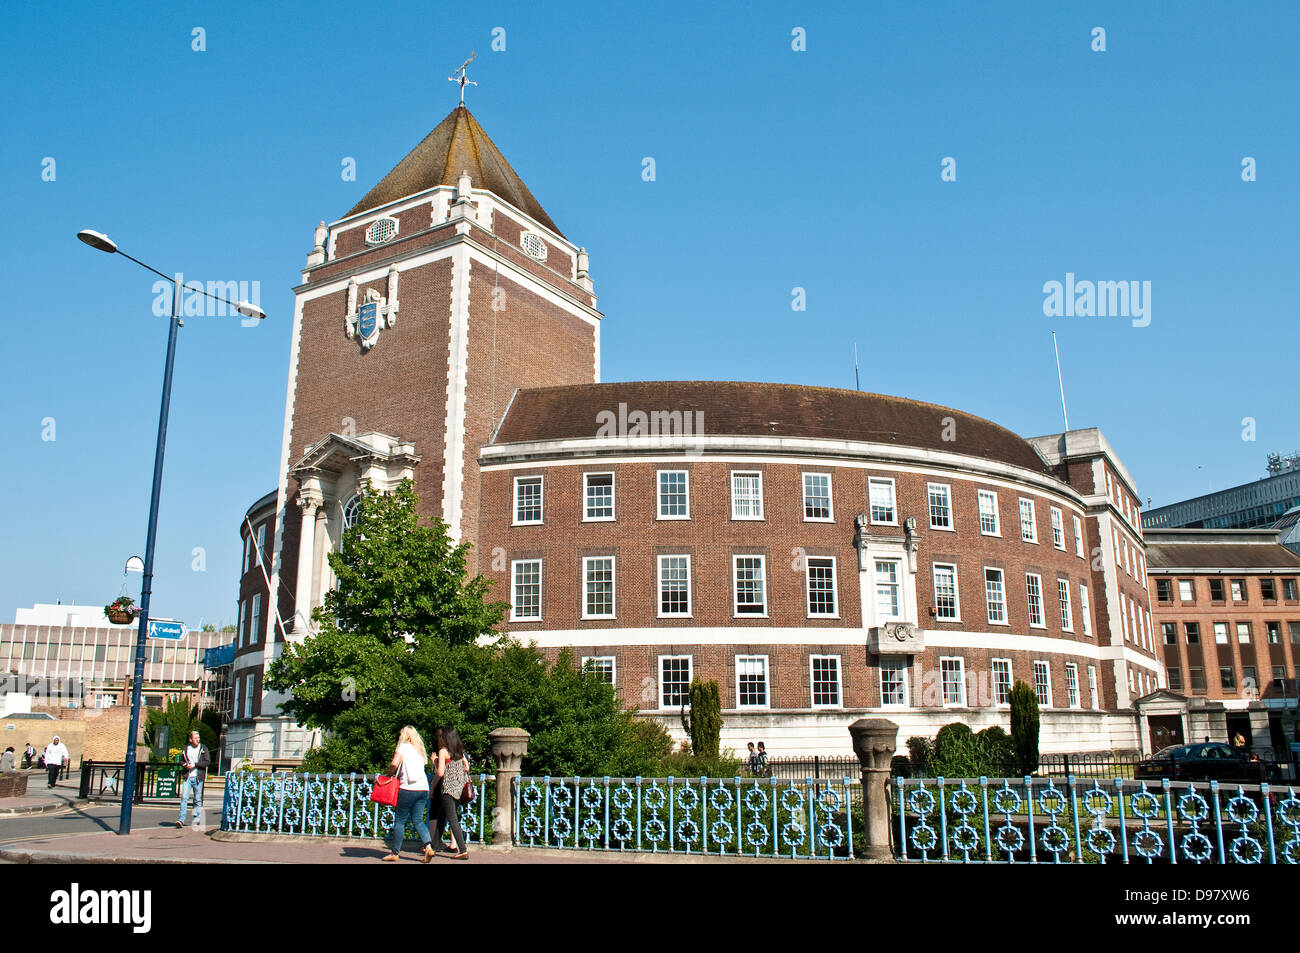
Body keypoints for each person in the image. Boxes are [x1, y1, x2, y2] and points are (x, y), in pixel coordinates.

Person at [382, 725, 434, 863]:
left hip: (407, 788)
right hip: (423, 789)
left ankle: (395, 853)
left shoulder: (403, 747)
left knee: (400, 821)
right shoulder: (420, 749)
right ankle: (428, 847)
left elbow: (394, 764)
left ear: (403, 735)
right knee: (418, 820)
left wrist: (388, 775)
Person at [432, 725, 471, 860]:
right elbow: (466, 767)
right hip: (458, 788)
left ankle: (463, 849)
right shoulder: (459, 750)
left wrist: (435, 762)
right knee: (442, 815)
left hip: (447, 788)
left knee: (452, 819)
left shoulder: (443, 751)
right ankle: (434, 845)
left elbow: (440, 772)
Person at [176, 730, 211, 829]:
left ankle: (196, 819)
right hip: (188, 776)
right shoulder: (186, 749)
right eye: (195, 738)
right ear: (191, 739)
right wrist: (185, 765)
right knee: (184, 798)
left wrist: (195, 765)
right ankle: (181, 820)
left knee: (197, 799)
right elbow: (181, 760)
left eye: (198, 738)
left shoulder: (203, 748)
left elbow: (207, 762)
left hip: (198, 777)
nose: (197, 739)